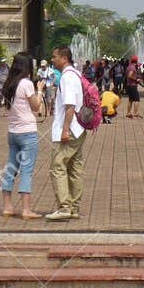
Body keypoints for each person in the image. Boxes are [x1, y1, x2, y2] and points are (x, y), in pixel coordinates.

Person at [0, 52, 44, 219]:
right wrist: (40, 91)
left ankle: (7, 207)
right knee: (27, 170)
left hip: (13, 132)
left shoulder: (9, 84)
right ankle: (26, 209)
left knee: (11, 169)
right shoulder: (26, 84)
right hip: (27, 132)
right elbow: (36, 107)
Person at [46, 45, 88, 222]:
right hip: (79, 128)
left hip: (69, 129)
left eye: (54, 56)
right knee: (75, 168)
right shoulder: (76, 74)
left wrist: (64, 130)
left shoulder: (66, 77)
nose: (52, 59)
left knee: (58, 167)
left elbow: (70, 106)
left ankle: (64, 207)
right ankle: (74, 207)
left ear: (64, 58)